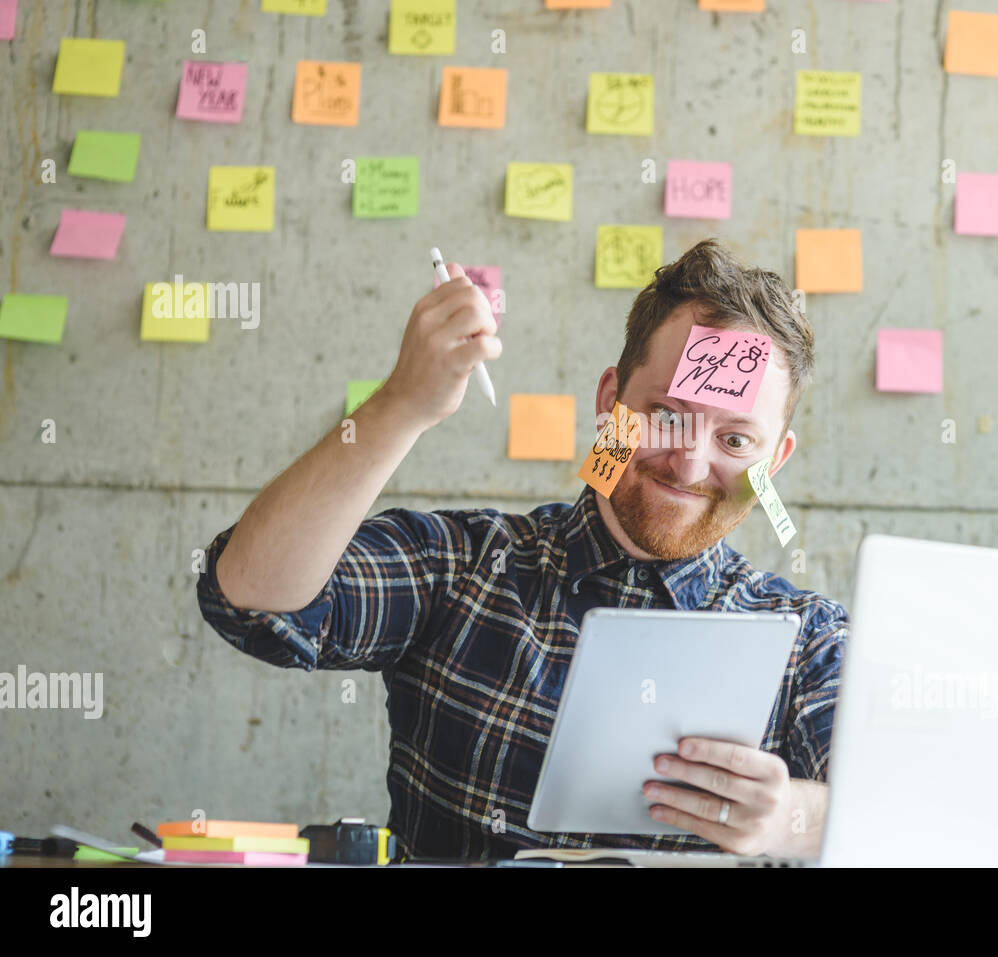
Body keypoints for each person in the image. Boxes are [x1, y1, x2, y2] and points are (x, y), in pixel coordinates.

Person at [197, 238, 848, 859]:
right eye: (666, 414)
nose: (688, 461)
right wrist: (401, 404)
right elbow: (250, 599)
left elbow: (921, 816)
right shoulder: (465, 565)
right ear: (608, 404)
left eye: (736, 441)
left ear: (774, 462)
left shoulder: (805, 640)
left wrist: (791, 815)